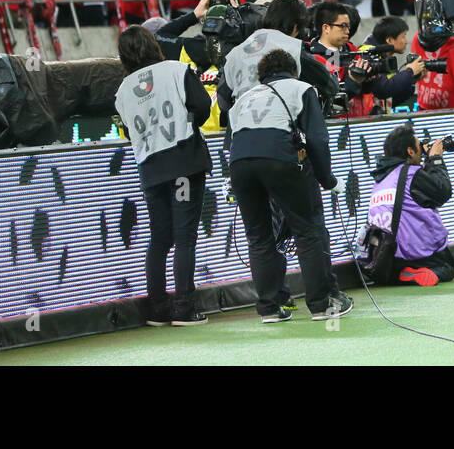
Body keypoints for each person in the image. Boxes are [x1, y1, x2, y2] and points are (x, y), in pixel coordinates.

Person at [227, 48, 354, 322]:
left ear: (262, 75)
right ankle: (321, 305)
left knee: (260, 237)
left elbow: (233, 140)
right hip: (279, 160)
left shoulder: (243, 98)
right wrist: (327, 179)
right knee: (306, 231)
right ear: (293, 70)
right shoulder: (302, 88)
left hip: (240, 165)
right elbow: (317, 140)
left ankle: (269, 308)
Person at [113, 25, 213, 326]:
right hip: (183, 163)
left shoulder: (122, 91)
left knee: (160, 238)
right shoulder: (176, 69)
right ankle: (184, 309)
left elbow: (129, 130)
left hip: (151, 169)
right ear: (152, 44)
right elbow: (203, 106)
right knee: (185, 238)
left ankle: (158, 310)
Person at [366, 123, 454, 286]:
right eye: (418, 148)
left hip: (384, 258)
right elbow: (443, 192)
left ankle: (399, 275)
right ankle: (422, 271)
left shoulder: (381, 179)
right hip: (415, 254)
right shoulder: (411, 174)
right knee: (449, 267)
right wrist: (435, 159)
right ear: (410, 151)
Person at [360, 15, 426, 110]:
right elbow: (382, 89)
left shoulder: (384, 56)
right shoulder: (367, 54)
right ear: (389, 40)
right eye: (403, 36)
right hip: (364, 120)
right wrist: (410, 72)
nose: (406, 41)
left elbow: (393, 96)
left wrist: (413, 79)